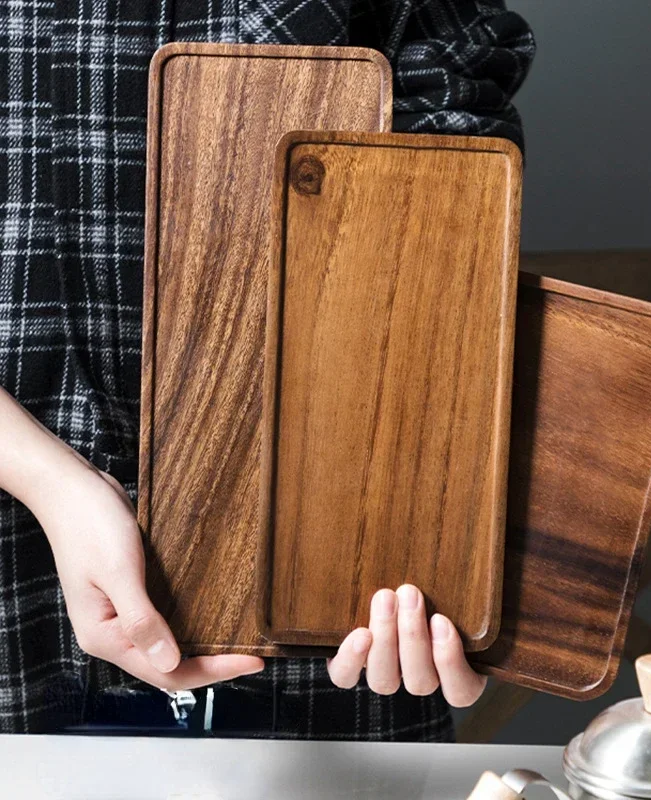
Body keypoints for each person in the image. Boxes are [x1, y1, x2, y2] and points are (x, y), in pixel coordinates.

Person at [0, 0, 534, 738]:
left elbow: (450, 219)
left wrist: (443, 540)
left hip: (329, 627)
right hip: (13, 608)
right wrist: (48, 482)